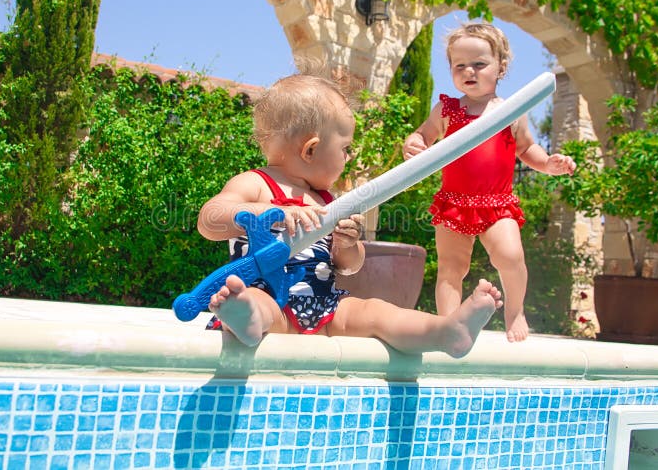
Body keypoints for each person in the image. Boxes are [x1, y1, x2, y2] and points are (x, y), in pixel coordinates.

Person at [197, 66, 503, 357]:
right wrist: (266, 212)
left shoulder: (327, 201)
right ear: (311, 150)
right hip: (269, 298)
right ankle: (245, 318)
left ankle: (444, 332)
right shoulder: (256, 184)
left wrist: (346, 245)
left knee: (375, 311)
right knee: (255, 301)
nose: (349, 156)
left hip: (324, 306)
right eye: (345, 148)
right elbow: (209, 219)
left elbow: (348, 267)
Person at [402, 22, 576, 343]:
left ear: (501, 68)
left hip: (497, 204)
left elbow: (526, 148)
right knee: (451, 270)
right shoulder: (447, 110)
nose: (469, 70)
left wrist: (548, 164)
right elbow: (424, 135)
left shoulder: (510, 111)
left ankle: (515, 311)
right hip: (454, 202)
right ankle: (450, 327)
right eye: (460, 65)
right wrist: (414, 142)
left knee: (510, 256)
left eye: (480, 64)